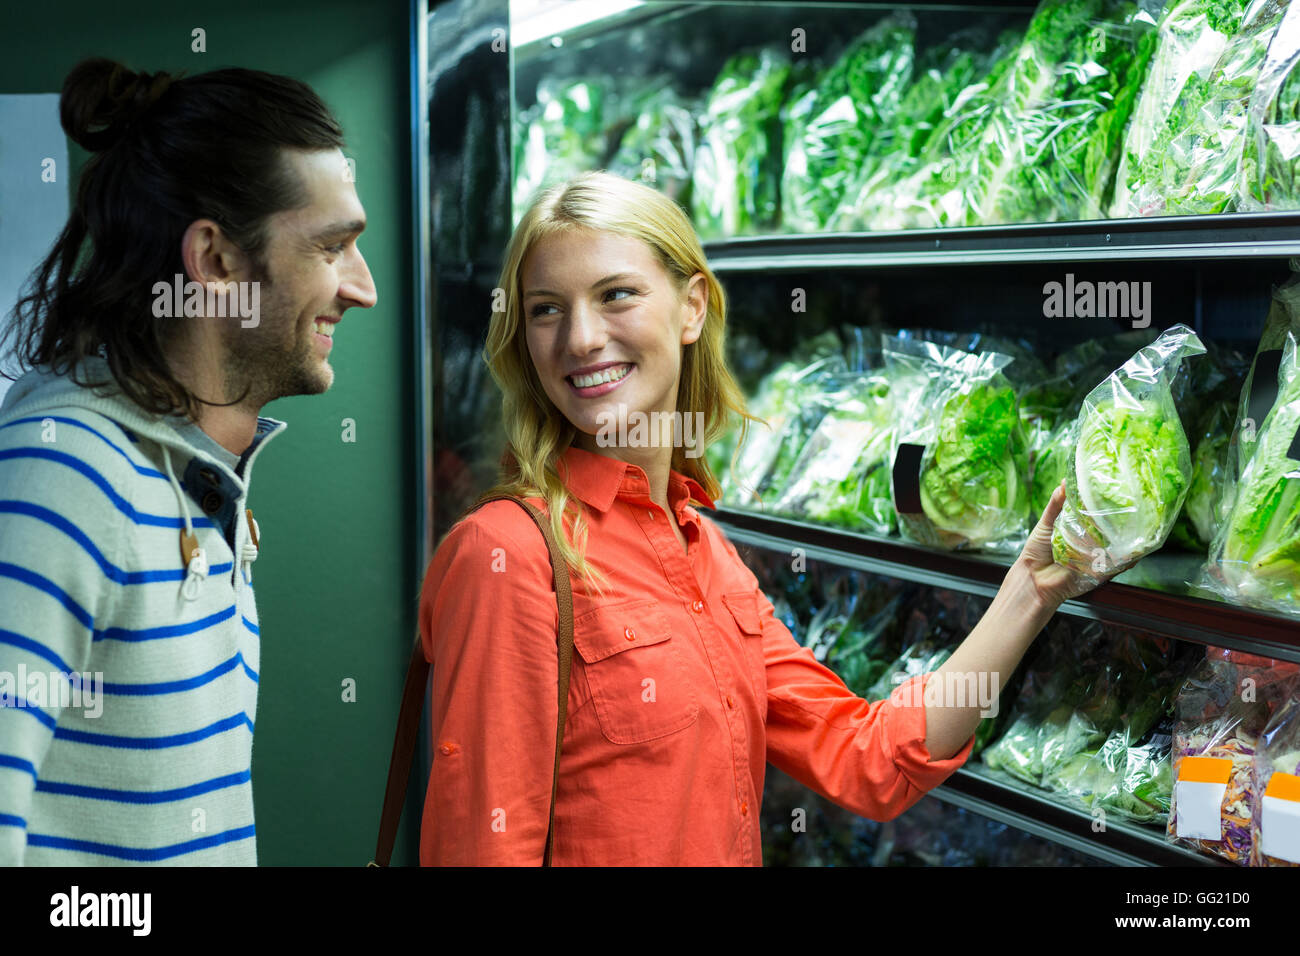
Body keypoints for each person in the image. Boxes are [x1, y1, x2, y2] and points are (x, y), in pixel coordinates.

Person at [417, 170, 1105, 866]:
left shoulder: (704, 553)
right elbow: (480, 846)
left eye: (615, 294)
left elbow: (866, 756)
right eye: (545, 309)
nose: (581, 337)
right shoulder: (505, 553)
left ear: (691, 309)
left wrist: (1029, 592)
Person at [0, 58, 377, 865]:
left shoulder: (193, 479)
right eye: (333, 247)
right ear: (214, 262)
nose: (363, 287)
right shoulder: (64, 477)